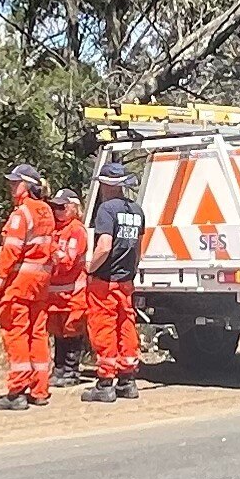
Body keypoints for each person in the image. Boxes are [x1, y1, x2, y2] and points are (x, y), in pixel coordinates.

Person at [0, 166, 59, 409]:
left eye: (15, 183)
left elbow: (11, 250)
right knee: (37, 334)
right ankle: (39, 389)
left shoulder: (22, 214)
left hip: (19, 283)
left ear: (26, 186)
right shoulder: (47, 212)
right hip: (40, 284)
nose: (11, 187)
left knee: (16, 332)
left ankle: (17, 391)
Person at [80, 164, 144, 400]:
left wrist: (89, 269)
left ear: (108, 185)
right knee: (126, 324)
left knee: (103, 326)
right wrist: (130, 271)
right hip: (126, 279)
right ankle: (127, 380)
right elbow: (138, 248)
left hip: (105, 281)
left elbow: (104, 246)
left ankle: (105, 383)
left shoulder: (106, 210)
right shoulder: (137, 211)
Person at [43, 183, 91, 385]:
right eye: (55, 207)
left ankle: (71, 371)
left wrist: (50, 249)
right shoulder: (54, 229)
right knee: (57, 333)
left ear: (74, 207)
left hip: (73, 294)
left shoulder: (76, 230)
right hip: (55, 295)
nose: (58, 211)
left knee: (72, 331)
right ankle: (59, 369)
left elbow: (67, 262)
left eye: (62, 207)